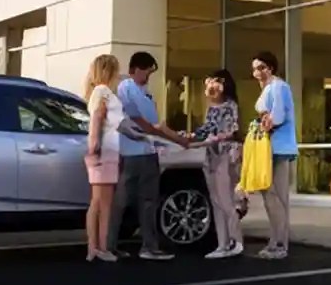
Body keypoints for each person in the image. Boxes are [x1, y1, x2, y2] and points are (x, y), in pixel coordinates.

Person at [107, 51, 189, 260]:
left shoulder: (145, 92)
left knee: (148, 201)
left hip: (148, 151)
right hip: (132, 153)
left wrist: (165, 134)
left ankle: (149, 246)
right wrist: (168, 135)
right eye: (147, 72)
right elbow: (139, 121)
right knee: (123, 200)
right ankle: (110, 244)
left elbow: (153, 123)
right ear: (136, 69)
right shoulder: (126, 88)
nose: (148, 77)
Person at [188, 69, 244, 259]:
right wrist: (192, 135)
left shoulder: (230, 106)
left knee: (226, 200)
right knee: (215, 201)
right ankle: (222, 244)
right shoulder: (211, 108)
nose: (211, 87)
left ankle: (236, 240)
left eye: (215, 83)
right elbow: (207, 128)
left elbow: (231, 130)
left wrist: (214, 138)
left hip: (225, 154)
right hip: (211, 154)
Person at [251, 51, 296, 260]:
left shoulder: (278, 87)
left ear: (270, 67)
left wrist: (265, 124)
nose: (258, 72)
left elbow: (277, 116)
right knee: (277, 196)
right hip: (273, 145)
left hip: (276, 146)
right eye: (255, 68)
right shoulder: (271, 87)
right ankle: (279, 241)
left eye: (261, 67)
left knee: (273, 195)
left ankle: (278, 242)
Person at [83, 54, 124, 262]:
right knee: (100, 201)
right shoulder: (102, 92)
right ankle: (97, 247)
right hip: (103, 151)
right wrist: (94, 147)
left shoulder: (101, 92)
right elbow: (97, 120)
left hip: (108, 150)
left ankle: (98, 246)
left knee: (102, 201)